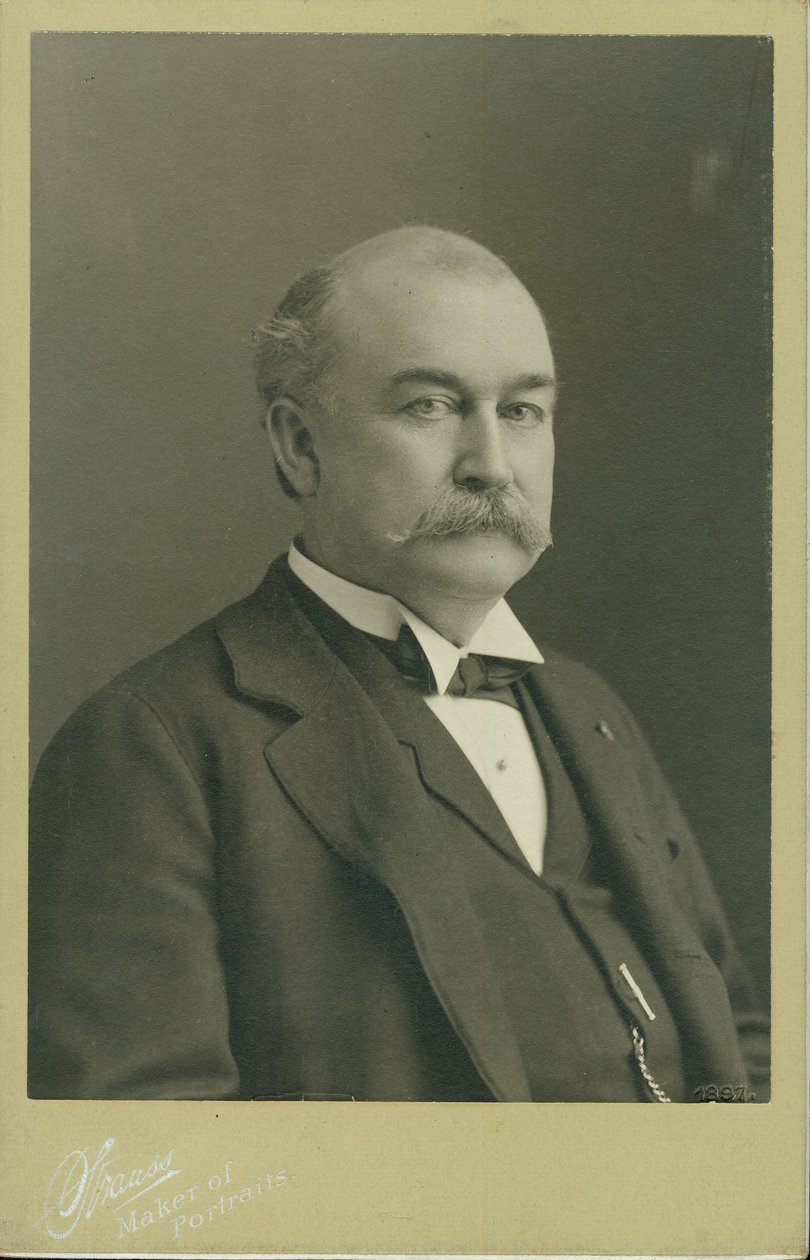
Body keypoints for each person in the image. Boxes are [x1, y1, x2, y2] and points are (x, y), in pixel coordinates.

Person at [28, 226, 769, 1103]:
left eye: (523, 410)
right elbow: (150, 1168)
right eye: (431, 405)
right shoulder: (154, 747)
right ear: (300, 446)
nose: (493, 466)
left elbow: (741, 1047)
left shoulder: (587, 706)